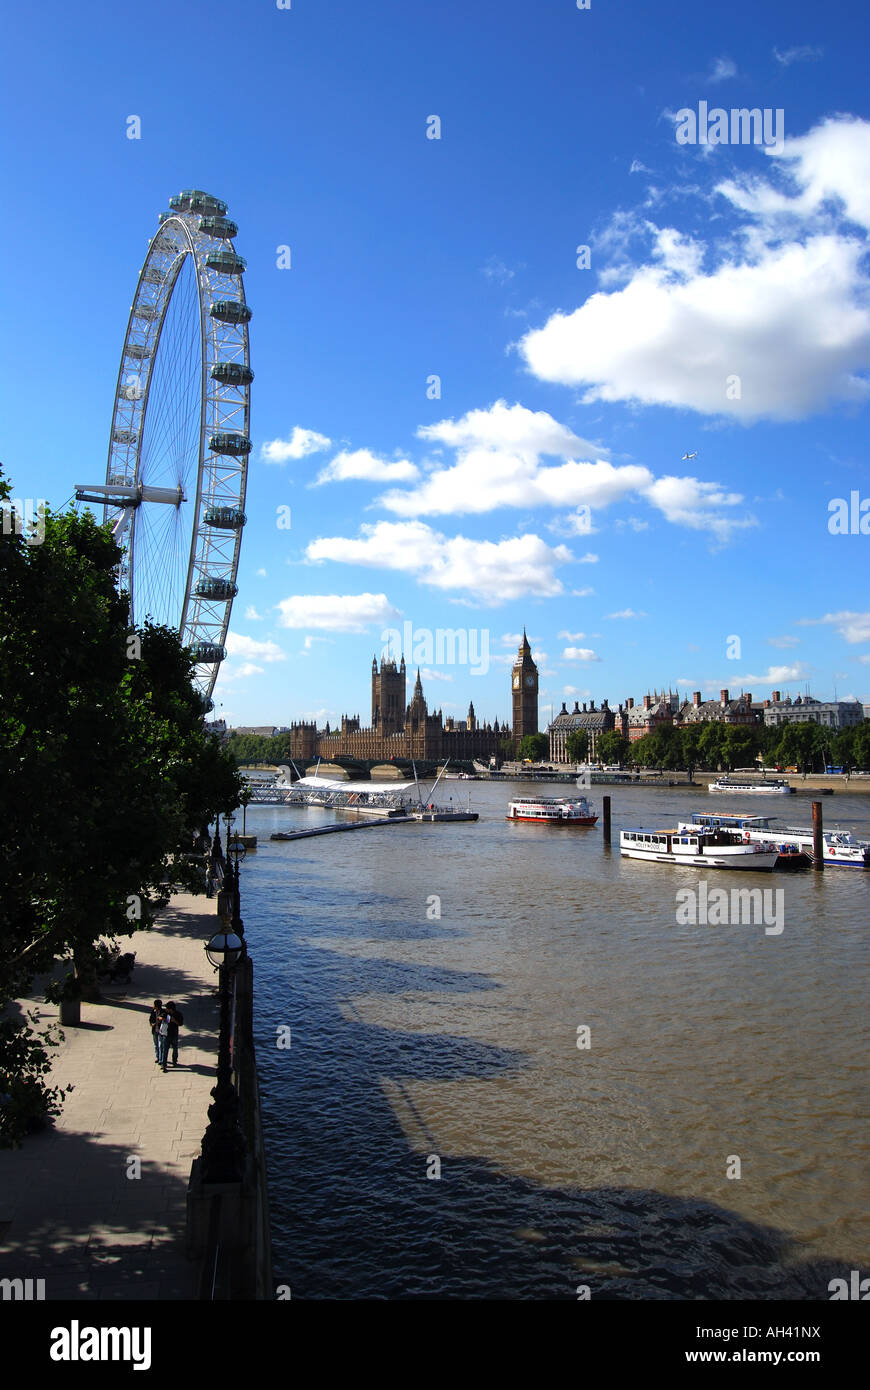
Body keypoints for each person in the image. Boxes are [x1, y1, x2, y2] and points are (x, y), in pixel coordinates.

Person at [165, 1001, 184, 1067]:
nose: (166, 1009)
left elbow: (181, 1023)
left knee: (175, 1048)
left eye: (167, 1008)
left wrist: (174, 1021)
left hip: (174, 1033)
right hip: (167, 1033)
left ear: (170, 1009)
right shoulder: (167, 1014)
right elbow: (166, 1022)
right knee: (166, 1048)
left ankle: (174, 1061)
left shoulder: (178, 1014)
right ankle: (164, 1062)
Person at [156, 1006, 172, 1071]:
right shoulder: (164, 1014)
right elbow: (160, 1018)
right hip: (162, 1033)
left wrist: (163, 1018)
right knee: (162, 1048)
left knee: (165, 1050)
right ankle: (162, 1063)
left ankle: (164, 1064)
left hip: (166, 1035)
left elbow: (168, 1020)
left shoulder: (169, 1016)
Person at [148, 999, 164, 1063]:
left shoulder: (163, 1012)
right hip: (154, 1030)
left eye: (154, 1005)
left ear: (157, 1006)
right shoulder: (153, 1011)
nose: (153, 1006)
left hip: (160, 1030)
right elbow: (150, 1019)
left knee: (160, 1045)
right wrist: (152, 1024)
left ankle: (161, 1059)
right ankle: (157, 1057)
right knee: (156, 1045)